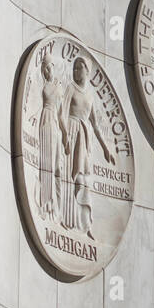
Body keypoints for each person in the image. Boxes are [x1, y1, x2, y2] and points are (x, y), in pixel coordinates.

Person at [59, 56, 114, 238]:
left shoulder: (90, 97)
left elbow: (96, 124)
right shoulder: (70, 89)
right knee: (70, 175)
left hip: (84, 136)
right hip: (72, 131)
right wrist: (66, 135)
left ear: (87, 71)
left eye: (79, 68)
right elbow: (62, 113)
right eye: (74, 68)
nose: (75, 71)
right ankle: (67, 219)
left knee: (83, 179)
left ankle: (85, 223)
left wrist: (106, 149)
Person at [36, 54, 61, 221]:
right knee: (46, 162)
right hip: (46, 119)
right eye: (47, 68)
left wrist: (64, 132)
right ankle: (46, 202)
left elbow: (61, 112)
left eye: (51, 68)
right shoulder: (46, 86)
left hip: (53, 122)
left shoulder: (57, 87)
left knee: (54, 163)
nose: (49, 71)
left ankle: (53, 204)